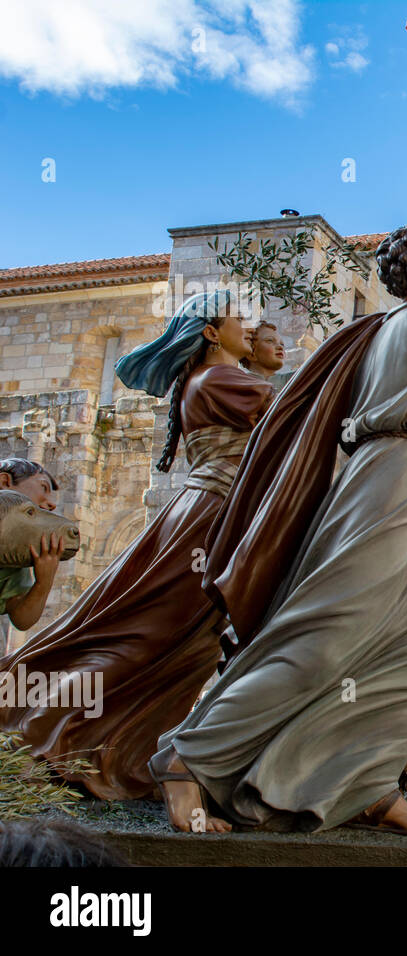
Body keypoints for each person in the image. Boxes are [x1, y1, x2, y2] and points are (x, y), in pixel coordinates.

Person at [150, 222, 407, 837]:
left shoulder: (405, 331)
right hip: (389, 488)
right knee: (328, 635)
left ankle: (366, 781)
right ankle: (188, 756)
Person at [1, 291, 271, 801]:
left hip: (213, 517)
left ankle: (105, 748)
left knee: (181, 646)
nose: (251, 329)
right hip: (210, 519)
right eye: (241, 320)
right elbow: (296, 415)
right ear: (211, 332)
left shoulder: (208, 378)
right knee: (143, 638)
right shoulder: (220, 377)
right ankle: (31, 744)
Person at [0, 459, 66, 645]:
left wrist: (44, 581)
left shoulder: (13, 560)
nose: (52, 504)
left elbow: (22, 618)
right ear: (5, 482)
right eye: (43, 487)